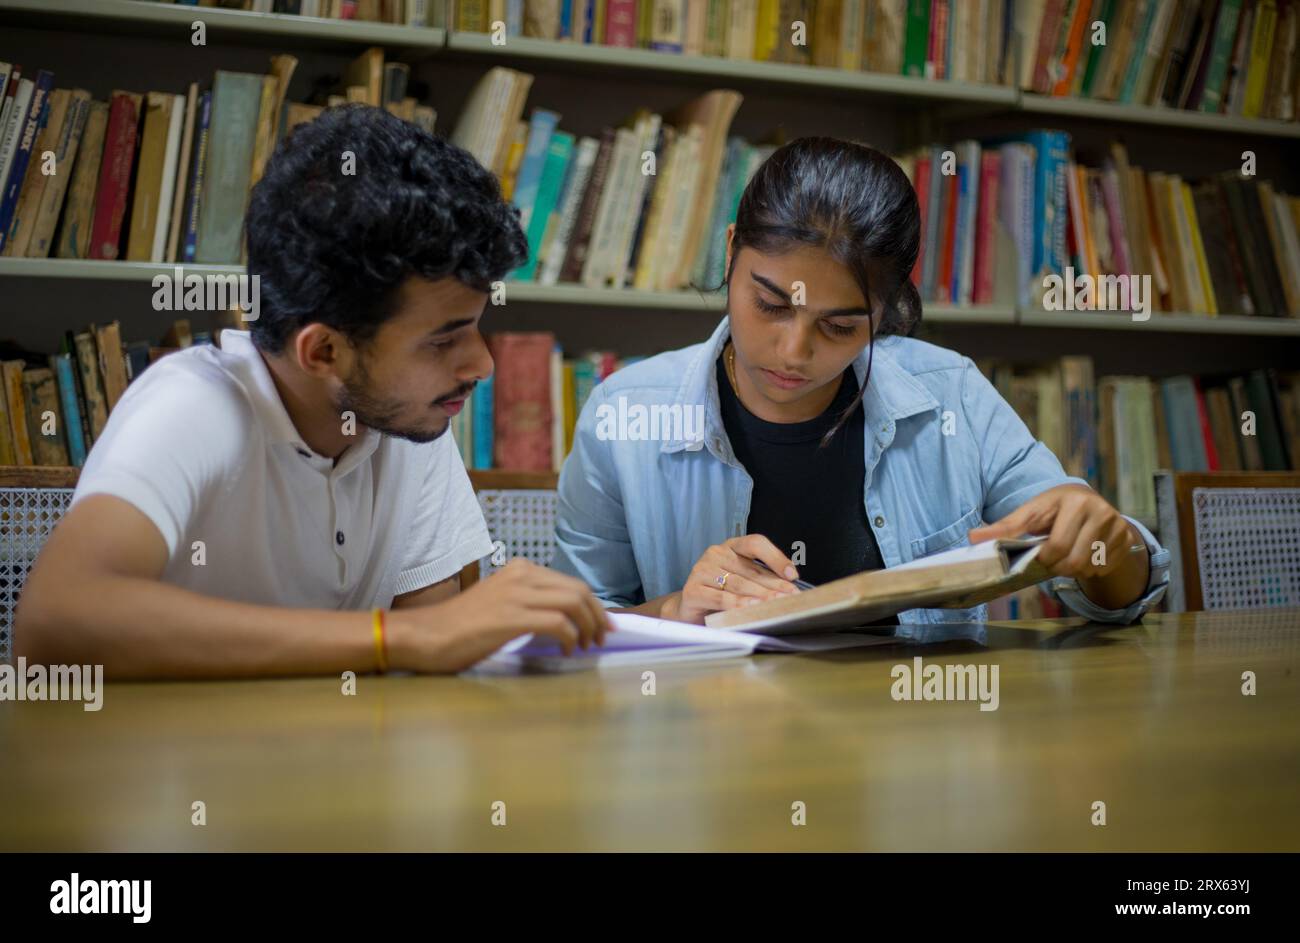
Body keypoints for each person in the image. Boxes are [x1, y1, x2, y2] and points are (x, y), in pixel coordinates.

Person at [16, 105, 610, 678]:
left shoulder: (408, 423)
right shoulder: (192, 406)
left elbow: (435, 658)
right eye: (441, 340)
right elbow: (53, 622)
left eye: (476, 326)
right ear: (324, 351)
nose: (482, 364)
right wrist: (398, 639)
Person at [551, 136, 1169, 626]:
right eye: (769, 305)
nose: (793, 353)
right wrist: (676, 611)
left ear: (887, 309)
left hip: (916, 752)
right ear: (733, 249)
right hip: (713, 756)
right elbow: (576, 634)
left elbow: (1122, 596)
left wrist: (1108, 546)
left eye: (841, 326)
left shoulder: (949, 395)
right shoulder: (624, 415)